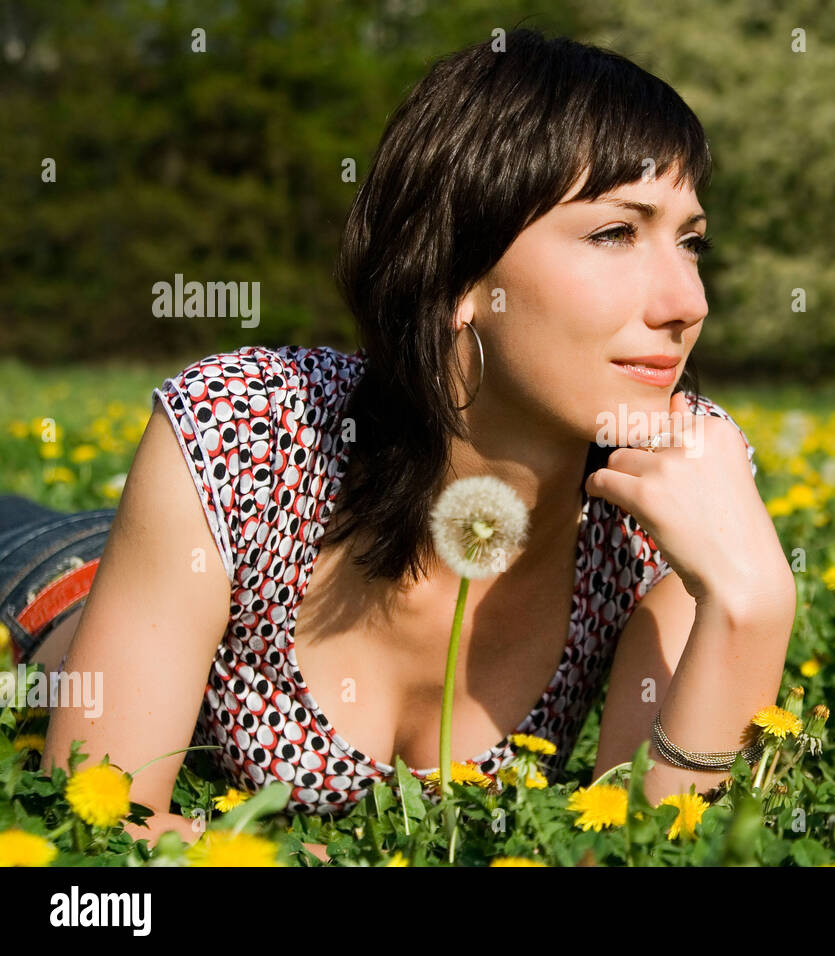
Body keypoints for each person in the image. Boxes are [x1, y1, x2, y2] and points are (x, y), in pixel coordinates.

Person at [23, 28, 795, 862]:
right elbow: (103, 823)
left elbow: (651, 848)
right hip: (56, 580)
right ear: (461, 273)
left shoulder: (681, 486)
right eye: (616, 232)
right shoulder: (243, 427)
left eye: (691, 241)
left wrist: (752, 608)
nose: (688, 301)